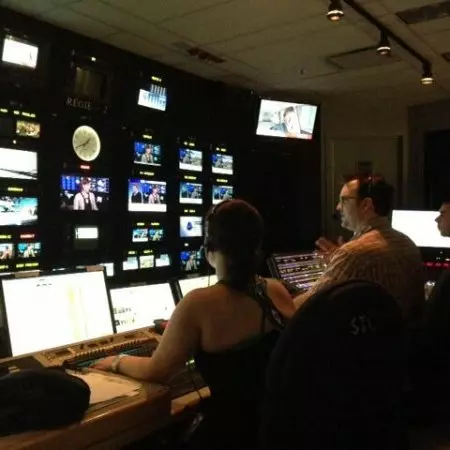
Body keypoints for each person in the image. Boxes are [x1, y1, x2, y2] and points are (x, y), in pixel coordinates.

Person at [93, 199, 295, 449]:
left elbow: (157, 371)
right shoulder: (276, 290)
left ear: (209, 251)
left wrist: (116, 361)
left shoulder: (199, 303)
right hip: (277, 431)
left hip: (230, 436)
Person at [294, 175, 425, 326]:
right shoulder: (407, 243)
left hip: (368, 345)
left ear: (366, 205)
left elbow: (305, 308)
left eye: (343, 200)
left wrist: (273, 291)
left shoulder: (354, 253)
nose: (338, 207)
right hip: (401, 341)